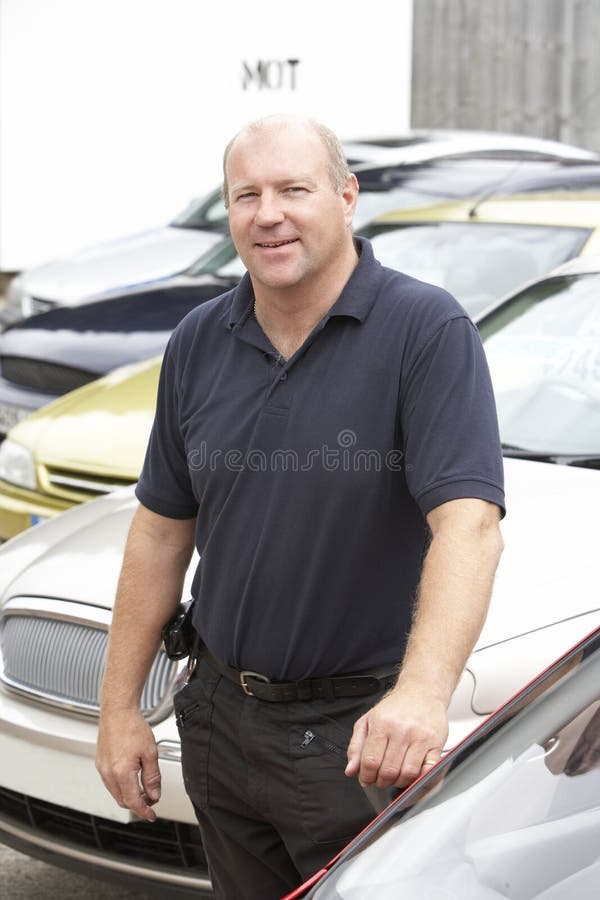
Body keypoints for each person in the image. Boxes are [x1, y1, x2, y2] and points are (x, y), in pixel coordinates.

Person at [96, 114, 505, 899]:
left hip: (360, 738)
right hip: (219, 720)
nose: (269, 214)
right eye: (246, 195)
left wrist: (421, 695)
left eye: (293, 189)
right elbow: (159, 534)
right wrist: (120, 708)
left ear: (346, 197)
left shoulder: (425, 330)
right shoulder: (198, 340)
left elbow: (470, 526)